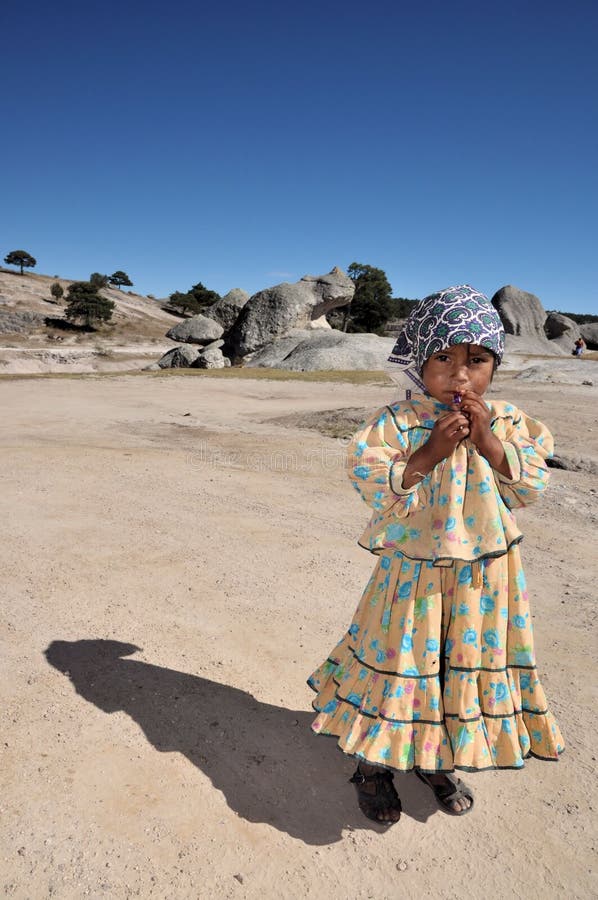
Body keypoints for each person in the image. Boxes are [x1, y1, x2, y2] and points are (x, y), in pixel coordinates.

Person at [307, 285, 564, 824]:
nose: (460, 375)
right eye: (443, 358)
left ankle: (435, 761)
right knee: (402, 661)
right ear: (419, 361)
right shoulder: (397, 422)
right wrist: (428, 452)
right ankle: (373, 765)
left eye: (477, 360)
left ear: (496, 364)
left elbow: (530, 485)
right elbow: (374, 481)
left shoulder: (510, 420)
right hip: (412, 578)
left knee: (454, 667)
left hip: (484, 579)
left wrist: (490, 443)